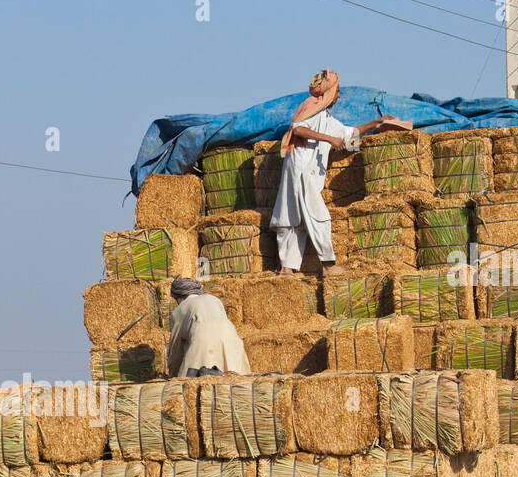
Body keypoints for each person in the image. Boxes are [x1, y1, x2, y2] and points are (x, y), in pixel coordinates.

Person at [270, 69, 392, 275]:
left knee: (293, 218)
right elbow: (297, 129)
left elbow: (348, 134)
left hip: (302, 170)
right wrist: (329, 139)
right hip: (301, 168)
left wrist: (377, 124)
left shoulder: (326, 117)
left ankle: (287, 269)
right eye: (337, 91)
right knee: (317, 215)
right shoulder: (311, 106)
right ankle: (327, 265)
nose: (339, 95)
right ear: (329, 91)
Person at [166, 277, 251, 378]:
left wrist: (173, 376)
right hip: (230, 337)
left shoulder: (179, 311)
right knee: (233, 380)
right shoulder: (215, 299)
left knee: (192, 385)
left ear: (179, 297)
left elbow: (176, 350)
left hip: (202, 339)